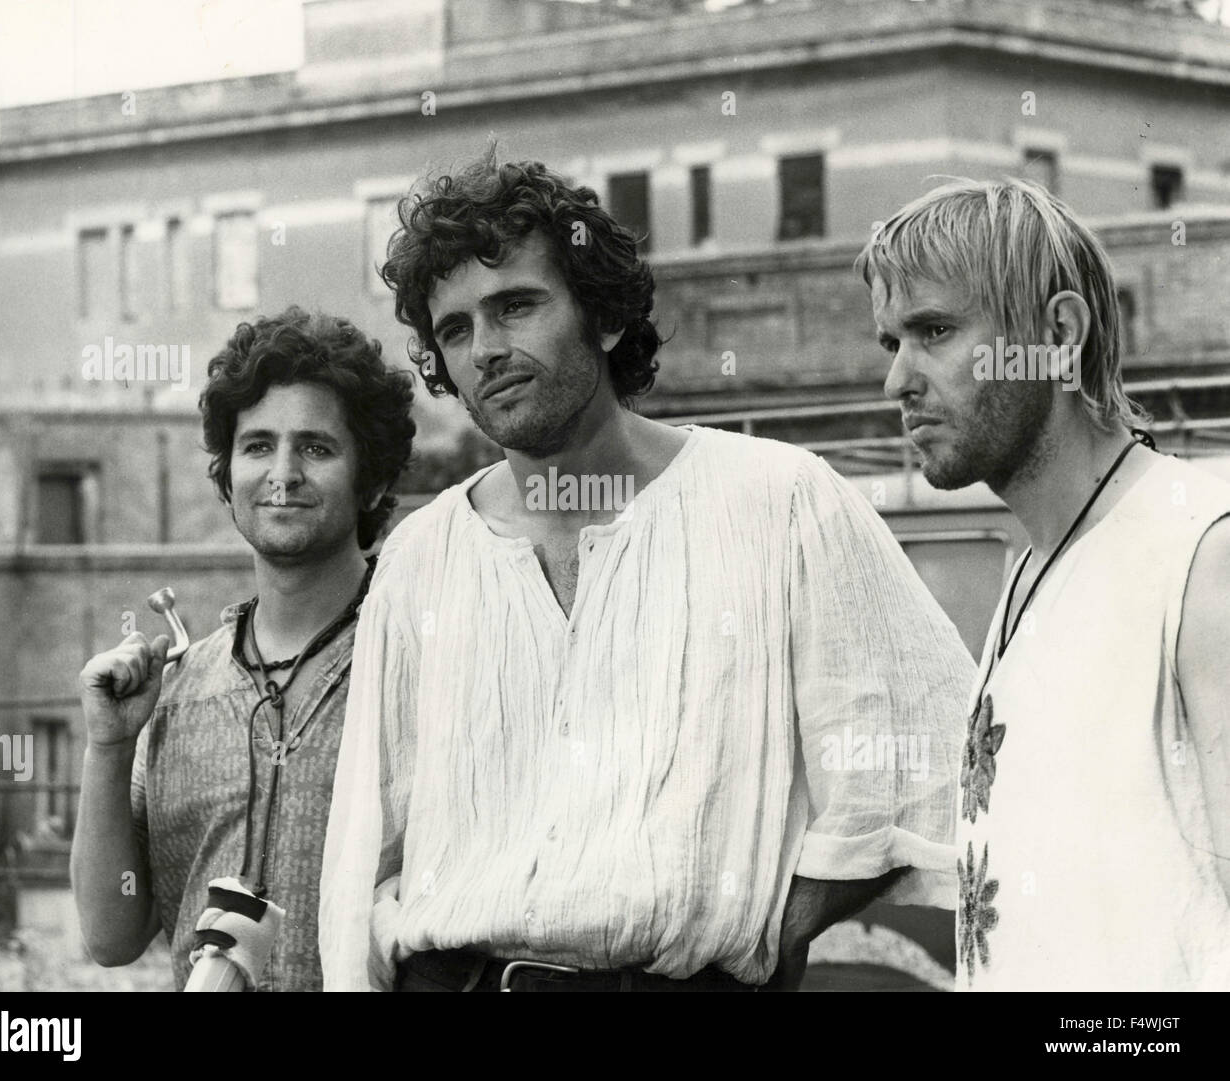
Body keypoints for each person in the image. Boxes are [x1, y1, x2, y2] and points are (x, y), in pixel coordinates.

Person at [318, 153, 975, 992]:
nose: (484, 349)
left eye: (515, 306)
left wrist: (766, 924)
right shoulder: (421, 558)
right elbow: (363, 852)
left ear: (604, 318)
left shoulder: (780, 503)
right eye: (454, 329)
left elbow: (934, 754)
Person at [858, 177, 1230, 991]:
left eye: (935, 331)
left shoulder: (1203, 552)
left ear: (1059, 334)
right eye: (893, 343)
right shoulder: (1028, 563)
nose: (899, 382)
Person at [72, 307, 415, 991]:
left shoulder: (414, 656)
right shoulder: (177, 688)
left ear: (372, 479)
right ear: (228, 477)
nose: (282, 473)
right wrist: (109, 746)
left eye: (316, 448)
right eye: (258, 446)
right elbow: (110, 936)